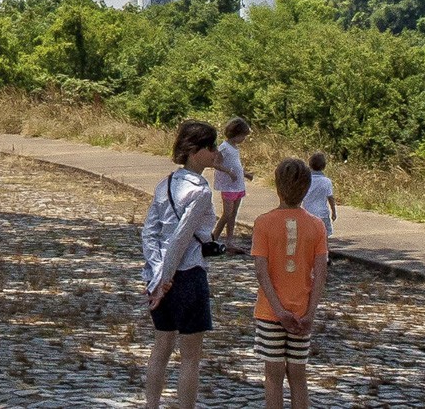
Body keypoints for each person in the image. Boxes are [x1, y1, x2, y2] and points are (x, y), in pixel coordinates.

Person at [141, 119, 220, 409]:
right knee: (190, 356)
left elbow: (150, 232)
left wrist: (154, 273)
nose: (214, 153)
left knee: (160, 347)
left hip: (159, 275)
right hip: (186, 277)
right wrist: (165, 281)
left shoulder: (166, 184)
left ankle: (152, 405)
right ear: (194, 150)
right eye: (210, 147)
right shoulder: (200, 191)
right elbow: (181, 237)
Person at [251, 158, 329, 409]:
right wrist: (310, 312)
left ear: (276, 186)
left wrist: (278, 310)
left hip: (270, 312)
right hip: (302, 312)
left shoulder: (263, 223)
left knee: (273, 377)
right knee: (298, 376)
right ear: (306, 189)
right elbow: (320, 274)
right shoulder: (317, 226)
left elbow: (262, 273)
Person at [212, 117, 254, 252]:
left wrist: (245, 174)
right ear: (235, 134)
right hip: (228, 186)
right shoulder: (224, 147)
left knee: (233, 214)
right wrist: (228, 172)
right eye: (242, 136)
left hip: (238, 185)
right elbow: (216, 163)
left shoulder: (235, 148)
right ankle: (214, 237)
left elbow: (237, 166)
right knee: (227, 214)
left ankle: (230, 241)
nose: (244, 139)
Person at [302, 152, 337, 238]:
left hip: (307, 213)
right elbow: (330, 198)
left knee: (309, 237)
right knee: (323, 236)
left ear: (310, 165)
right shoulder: (326, 181)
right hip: (322, 213)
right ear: (324, 166)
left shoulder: (306, 180)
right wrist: (333, 212)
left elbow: (300, 195)